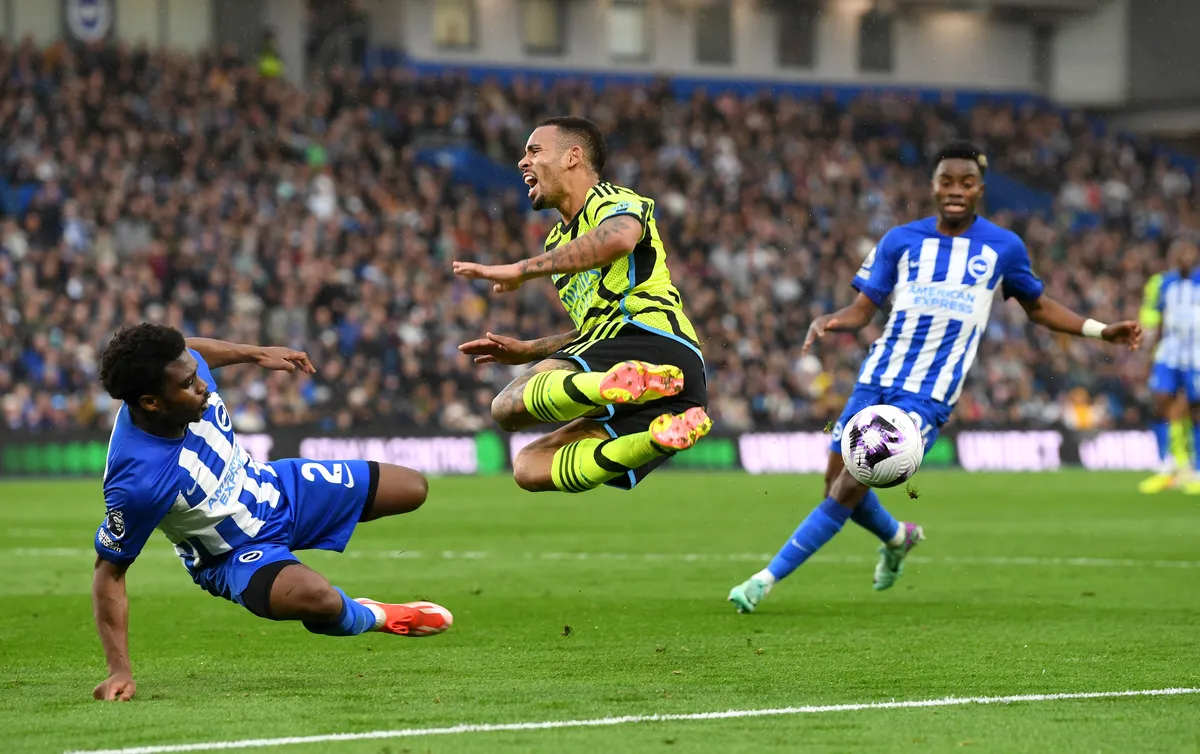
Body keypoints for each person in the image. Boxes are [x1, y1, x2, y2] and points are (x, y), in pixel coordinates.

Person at [728, 141, 1143, 614]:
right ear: (933, 186)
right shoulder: (900, 240)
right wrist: (832, 321)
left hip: (927, 395)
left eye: (966, 183)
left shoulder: (1003, 247)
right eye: (946, 181)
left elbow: (1040, 308)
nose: (955, 191)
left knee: (850, 484)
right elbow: (864, 310)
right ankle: (897, 537)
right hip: (875, 377)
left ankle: (765, 579)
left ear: (980, 190)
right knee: (832, 484)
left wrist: (1101, 330)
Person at [91, 324, 451, 702]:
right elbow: (109, 573)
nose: (204, 386)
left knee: (412, 488)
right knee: (321, 599)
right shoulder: (137, 481)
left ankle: (333, 595)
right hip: (233, 554)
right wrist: (120, 670)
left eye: (196, 374)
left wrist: (254, 353)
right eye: (188, 383)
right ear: (151, 402)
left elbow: (194, 351)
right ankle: (374, 616)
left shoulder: (180, 370)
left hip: (279, 488)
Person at [452, 116, 711, 494]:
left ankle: (614, 384)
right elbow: (594, 329)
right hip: (664, 377)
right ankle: (659, 436)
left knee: (507, 406)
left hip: (649, 335)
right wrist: (531, 349)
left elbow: (619, 239)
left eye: (534, 151)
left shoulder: (610, 199)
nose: (523, 162)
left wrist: (522, 270)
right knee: (530, 466)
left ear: (573, 157)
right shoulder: (557, 241)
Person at [1140, 238, 1200, 493]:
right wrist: (1149, 354)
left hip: (1196, 353)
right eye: (1179, 251)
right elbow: (1155, 319)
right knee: (1162, 401)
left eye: (1189, 250)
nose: (1184, 255)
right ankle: (1174, 463)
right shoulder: (1162, 283)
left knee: (1196, 409)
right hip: (1170, 351)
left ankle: (1195, 470)